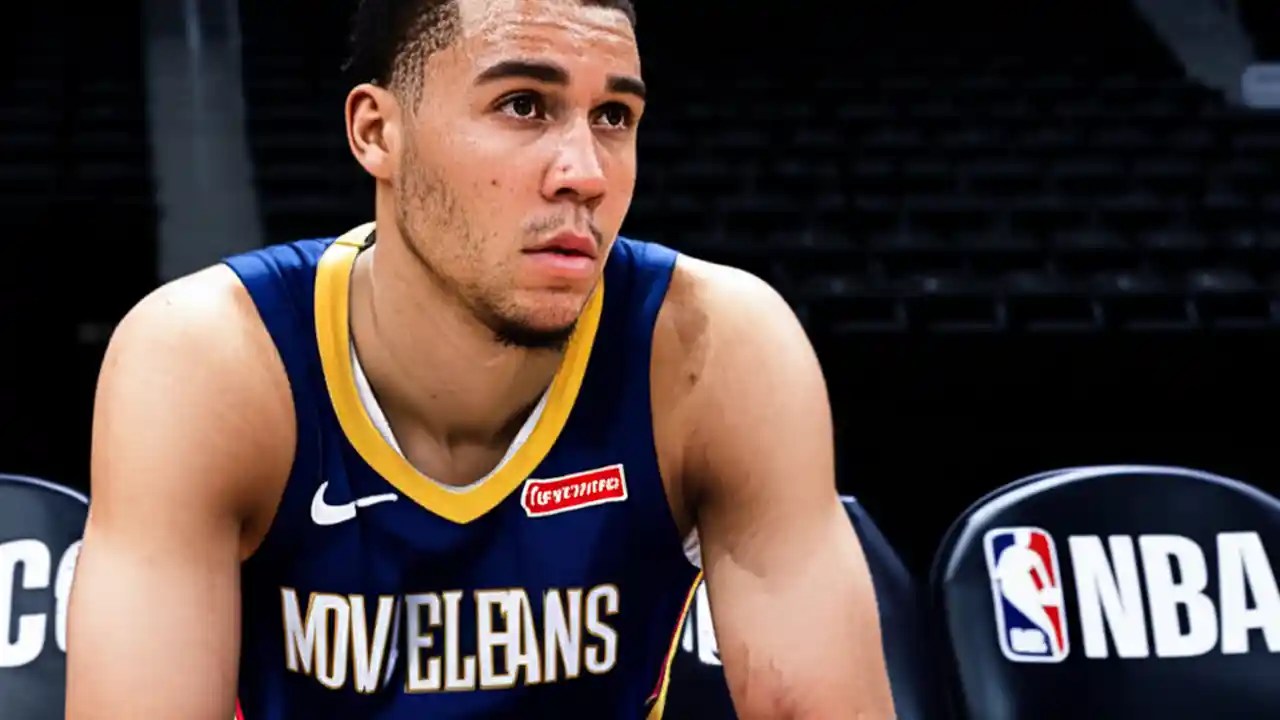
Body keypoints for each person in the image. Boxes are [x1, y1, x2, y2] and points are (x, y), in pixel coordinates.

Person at [64, 0, 896, 717]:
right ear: (376, 131)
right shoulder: (210, 363)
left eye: (614, 117)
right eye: (525, 106)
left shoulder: (716, 350)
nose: (586, 173)